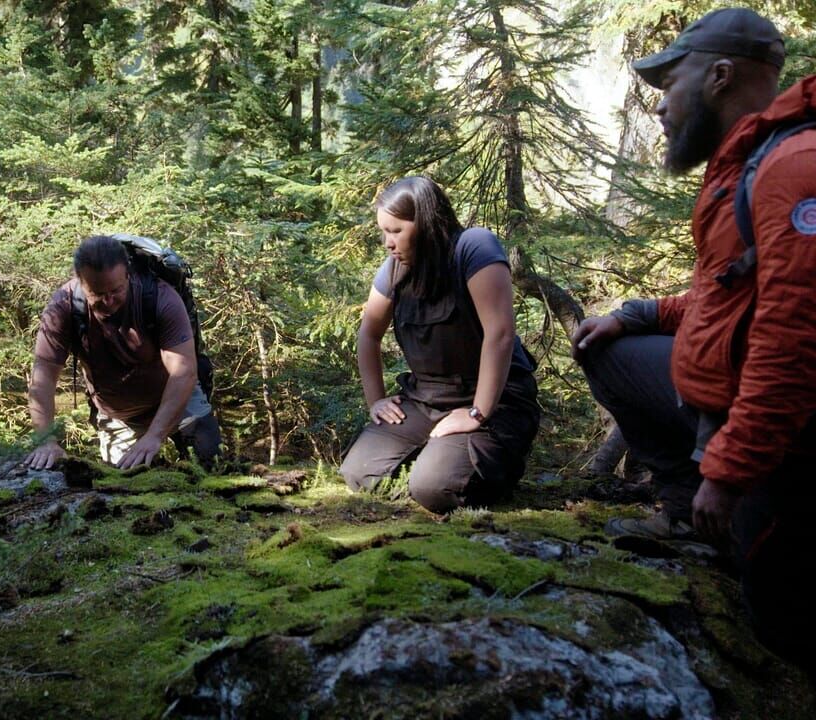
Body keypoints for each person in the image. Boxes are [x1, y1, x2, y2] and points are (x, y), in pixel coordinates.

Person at [571, 8, 815, 663]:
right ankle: (685, 507)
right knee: (610, 349)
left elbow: (793, 347)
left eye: (669, 85)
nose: (659, 107)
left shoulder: (795, 167)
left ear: (720, 76)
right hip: (737, 413)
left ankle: (728, 515)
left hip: (786, 443)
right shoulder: (744, 166)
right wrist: (639, 314)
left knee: (776, 625)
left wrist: (730, 472)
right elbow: (724, 303)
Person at [340, 177, 541, 513]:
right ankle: (438, 459)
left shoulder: (473, 247)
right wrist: (375, 400)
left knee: (435, 491)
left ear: (426, 223)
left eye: (396, 231)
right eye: (383, 232)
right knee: (359, 472)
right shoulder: (394, 271)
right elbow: (369, 334)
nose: (387, 243)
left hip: (497, 403)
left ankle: (469, 466)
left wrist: (478, 412)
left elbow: (500, 334)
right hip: (426, 399)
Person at [25, 235, 221, 470]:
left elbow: (184, 372)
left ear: (128, 275)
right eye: (97, 294)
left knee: (209, 457)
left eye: (116, 290)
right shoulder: (63, 307)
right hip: (117, 413)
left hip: (176, 398)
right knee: (122, 490)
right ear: (80, 282)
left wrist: (154, 436)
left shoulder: (160, 297)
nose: (108, 301)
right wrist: (46, 440)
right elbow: (43, 377)